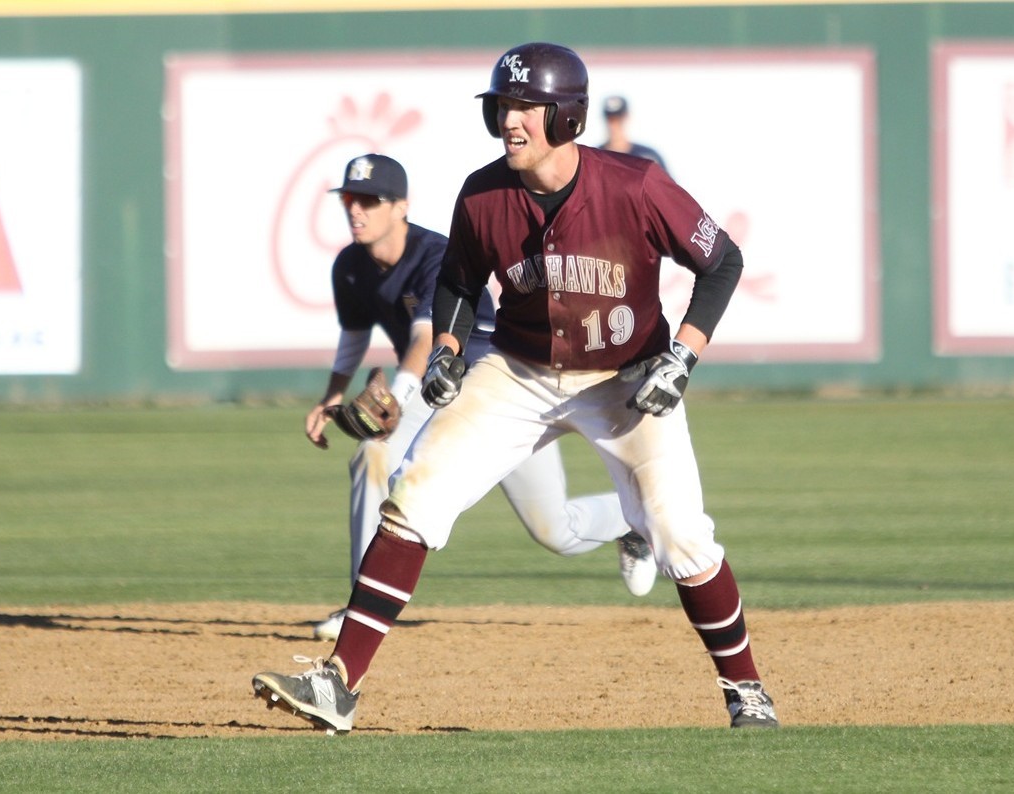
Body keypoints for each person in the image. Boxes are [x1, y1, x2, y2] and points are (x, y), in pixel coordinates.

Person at [253, 43, 777, 734]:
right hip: (520, 371)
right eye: (502, 106)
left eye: (526, 107)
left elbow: (721, 261)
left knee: (682, 537)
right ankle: (337, 684)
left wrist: (684, 353)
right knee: (413, 497)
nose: (510, 120)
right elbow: (459, 282)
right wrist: (445, 346)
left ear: (566, 117)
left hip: (625, 379)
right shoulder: (483, 192)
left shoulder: (636, 184)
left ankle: (745, 691)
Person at [303, 153, 656, 643]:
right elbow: (354, 335)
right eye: (349, 199)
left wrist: (400, 395)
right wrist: (332, 396)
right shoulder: (350, 266)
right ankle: (358, 606)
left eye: (369, 200)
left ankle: (635, 521)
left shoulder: (432, 254)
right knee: (373, 456)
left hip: (499, 386)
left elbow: (427, 340)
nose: (356, 210)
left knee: (555, 529)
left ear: (401, 206)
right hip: (437, 391)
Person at [599, 94, 667, 171]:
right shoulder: (593, 159)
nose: (614, 126)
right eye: (611, 120)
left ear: (627, 118)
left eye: (619, 120)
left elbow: (665, 183)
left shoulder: (649, 158)